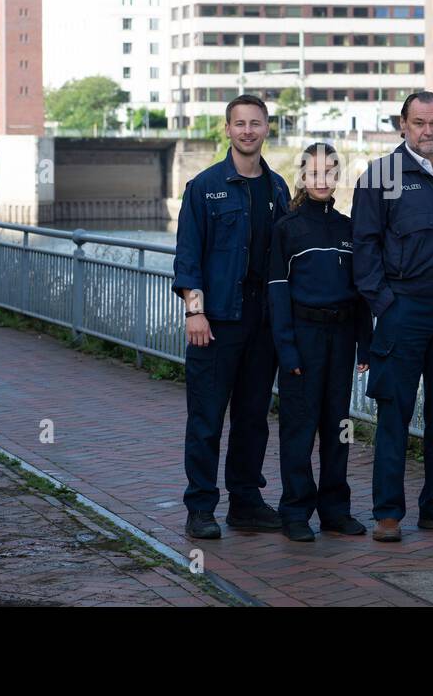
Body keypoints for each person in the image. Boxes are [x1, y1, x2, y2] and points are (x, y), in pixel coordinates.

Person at [352, 91, 433, 542]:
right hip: (403, 310)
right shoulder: (383, 175)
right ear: (403, 127)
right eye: (419, 123)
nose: (428, 131)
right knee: (394, 414)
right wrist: (386, 307)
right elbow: (364, 249)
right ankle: (387, 514)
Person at [172, 94, 291, 540]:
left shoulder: (278, 188)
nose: (247, 131)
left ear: (266, 128)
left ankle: (245, 502)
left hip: (262, 325)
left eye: (255, 123)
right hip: (217, 322)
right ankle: (200, 507)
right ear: (227, 129)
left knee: (252, 417)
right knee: (206, 418)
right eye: (239, 124)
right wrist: (195, 311)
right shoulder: (204, 187)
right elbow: (189, 257)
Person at [267, 142, 372, 542]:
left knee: (338, 426)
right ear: (301, 177)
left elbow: (361, 291)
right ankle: (295, 511)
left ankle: (335, 510)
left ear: (336, 176)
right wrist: (287, 349)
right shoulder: (286, 230)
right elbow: (278, 295)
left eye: (329, 171)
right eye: (312, 173)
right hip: (303, 338)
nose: (321, 179)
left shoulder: (349, 228)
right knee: (299, 427)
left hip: (342, 338)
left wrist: (365, 343)